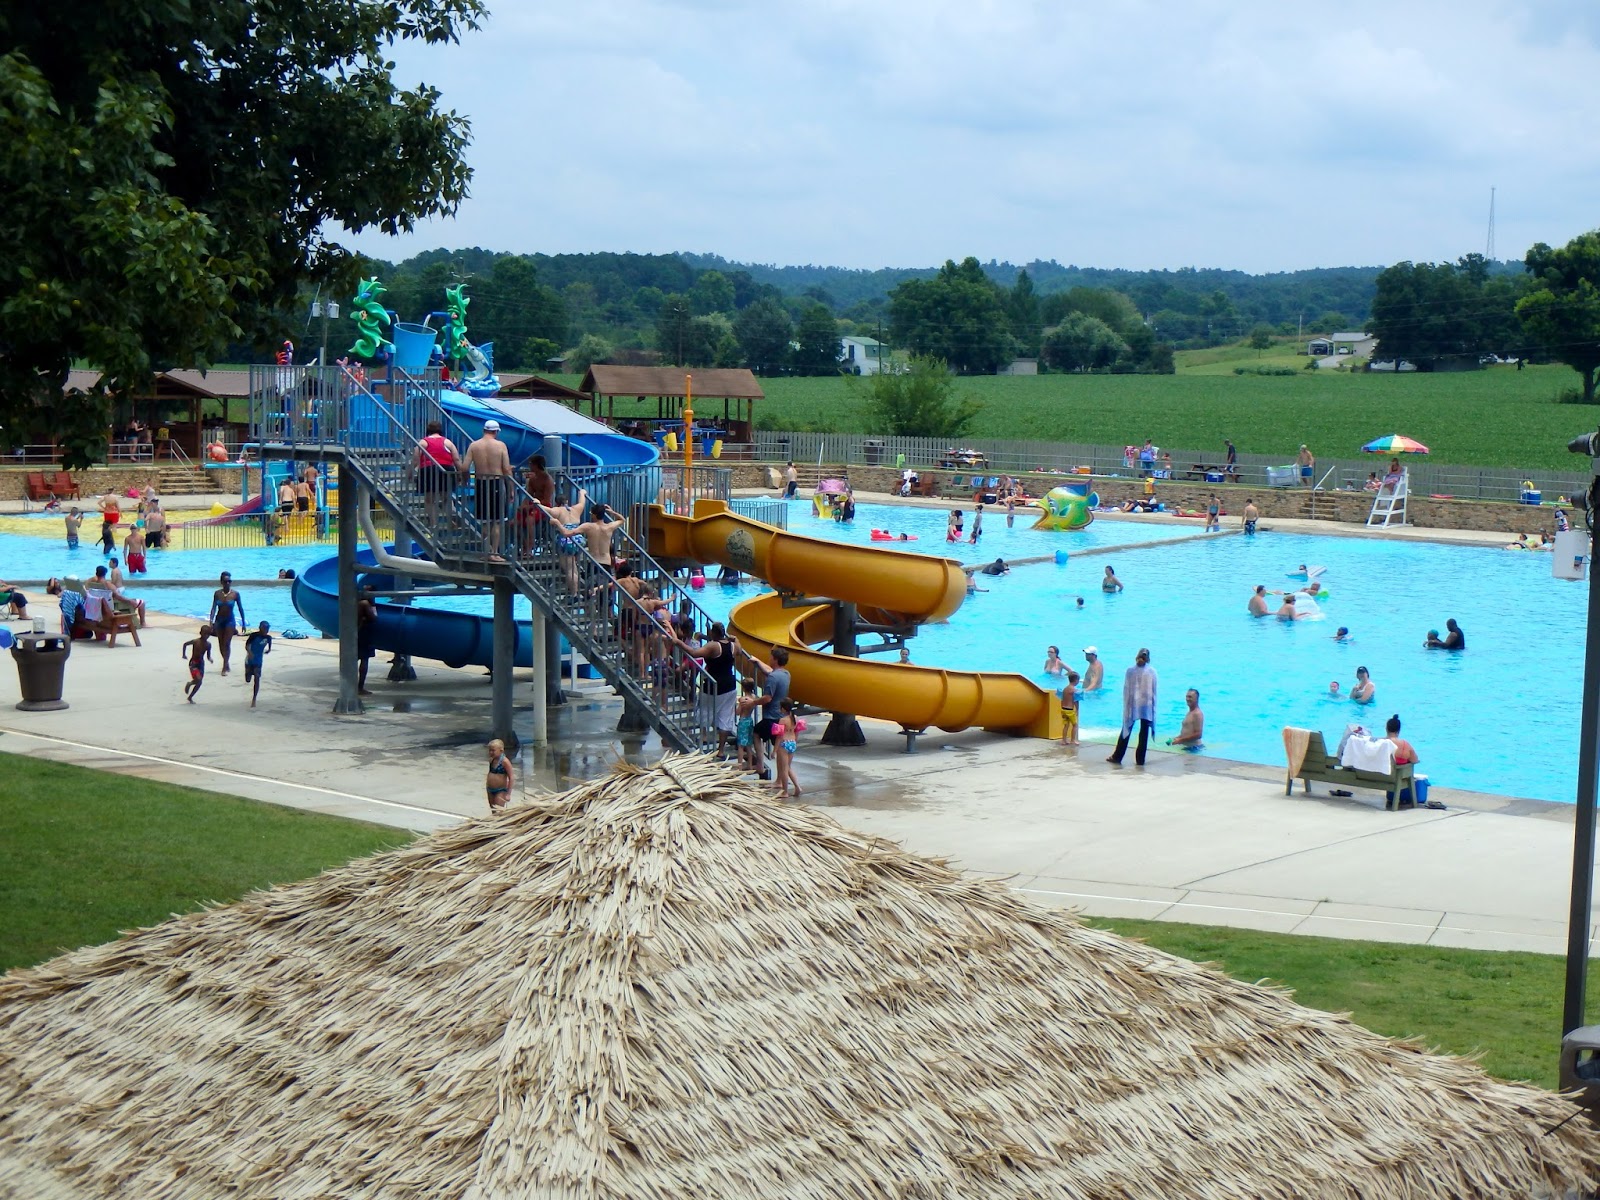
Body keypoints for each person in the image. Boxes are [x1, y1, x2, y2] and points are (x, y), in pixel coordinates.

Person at [679, 620, 738, 757]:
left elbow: (694, 653)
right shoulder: (733, 646)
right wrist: (736, 639)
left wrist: (678, 642)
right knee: (725, 717)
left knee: (704, 711)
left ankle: (704, 737)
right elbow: (739, 648)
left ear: (714, 633)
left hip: (713, 684)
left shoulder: (713, 646)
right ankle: (721, 750)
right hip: (730, 684)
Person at [461, 418, 514, 562]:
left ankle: (485, 551)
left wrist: (465, 480)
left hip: (481, 484)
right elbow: (506, 469)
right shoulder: (500, 445)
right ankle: (494, 553)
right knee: (497, 521)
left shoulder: (474, 445)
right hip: (497, 483)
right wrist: (511, 489)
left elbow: (465, 467)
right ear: (496, 431)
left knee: (485, 521)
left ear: (484, 430)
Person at [747, 645, 791, 782]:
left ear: (775, 659)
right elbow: (770, 671)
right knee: (780, 749)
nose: (769, 659)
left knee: (756, 733)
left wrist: (753, 702)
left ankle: (760, 764)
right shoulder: (786, 674)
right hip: (781, 716)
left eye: (771, 657)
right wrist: (758, 661)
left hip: (771, 717)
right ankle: (779, 780)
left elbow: (767, 698)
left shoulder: (772, 677)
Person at [1107, 647, 1157, 766]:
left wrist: (1153, 707)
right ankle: (1118, 756)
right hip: (1134, 704)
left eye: (1143, 658)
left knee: (1143, 732)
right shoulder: (1131, 671)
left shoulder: (1151, 672)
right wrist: (1127, 704)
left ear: (1147, 659)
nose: (1141, 660)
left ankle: (1139, 759)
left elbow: (1154, 691)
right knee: (1127, 728)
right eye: (1140, 657)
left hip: (1145, 705)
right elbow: (1127, 688)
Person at [415, 419, 459, 530]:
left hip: (428, 469)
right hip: (446, 469)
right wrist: (460, 472)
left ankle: (433, 523)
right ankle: (451, 519)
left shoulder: (423, 442)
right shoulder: (447, 442)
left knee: (430, 499)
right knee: (446, 498)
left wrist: (410, 471)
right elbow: (456, 459)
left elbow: (415, 458)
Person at [209, 572, 244, 674]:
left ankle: (224, 667)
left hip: (230, 621)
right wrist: (211, 621)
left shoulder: (235, 594)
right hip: (219, 621)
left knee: (227, 643)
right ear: (221, 582)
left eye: (229, 581)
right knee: (221, 643)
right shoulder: (217, 594)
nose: (228, 583)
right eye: (225, 581)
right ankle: (226, 662)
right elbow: (213, 608)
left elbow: (240, 608)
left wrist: (243, 622)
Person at [772, 697, 802, 798]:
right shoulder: (795, 718)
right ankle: (797, 786)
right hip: (792, 743)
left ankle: (785, 791)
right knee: (788, 767)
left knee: (784, 769)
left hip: (784, 744)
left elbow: (779, 736)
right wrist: (795, 742)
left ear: (783, 709)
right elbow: (797, 732)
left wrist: (774, 750)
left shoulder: (782, 720)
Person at [181, 625, 214, 703]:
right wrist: (184, 654)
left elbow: (208, 655)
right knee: (199, 680)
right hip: (193, 663)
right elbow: (185, 644)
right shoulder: (196, 641)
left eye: (208, 634)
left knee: (199, 682)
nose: (206, 636)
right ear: (200, 633)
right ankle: (190, 690)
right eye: (205, 634)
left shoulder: (208, 645)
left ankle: (190, 693)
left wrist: (210, 659)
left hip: (201, 664)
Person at [243, 621, 272, 708]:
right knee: (248, 679)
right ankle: (247, 674)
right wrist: (250, 652)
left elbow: (269, 646)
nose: (266, 630)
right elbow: (247, 646)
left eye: (267, 629)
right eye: (264, 628)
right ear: (260, 628)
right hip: (249, 660)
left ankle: (254, 699)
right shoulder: (254, 636)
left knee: (257, 678)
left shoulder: (268, 638)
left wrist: (268, 650)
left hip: (258, 661)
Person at [484, 738, 513, 813]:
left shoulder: (505, 762)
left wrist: (508, 794)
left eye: (493, 750)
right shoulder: (492, 760)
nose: (491, 752)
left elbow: (511, 777)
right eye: (489, 750)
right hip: (490, 789)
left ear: (501, 751)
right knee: (493, 810)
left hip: (500, 790)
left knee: (499, 811)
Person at [357, 589, 378, 694]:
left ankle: (348, 684)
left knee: (352, 659)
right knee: (364, 660)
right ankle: (360, 687)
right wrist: (373, 606)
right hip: (363, 633)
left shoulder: (352, 602)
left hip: (354, 632)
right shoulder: (364, 603)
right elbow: (373, 618)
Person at [1059, 670, 1081, 746]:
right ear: (1076, 680)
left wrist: (1061, 708)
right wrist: (1077, 710)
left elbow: (1062, 699)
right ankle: (1073, 740)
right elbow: (1075, 701)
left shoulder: (1065, 689)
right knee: (1075, 725)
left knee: (1066, 725)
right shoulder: (1074, 690)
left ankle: (1063, 740)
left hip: (1063, 709)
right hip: (1070, 710)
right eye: (1078, 680)